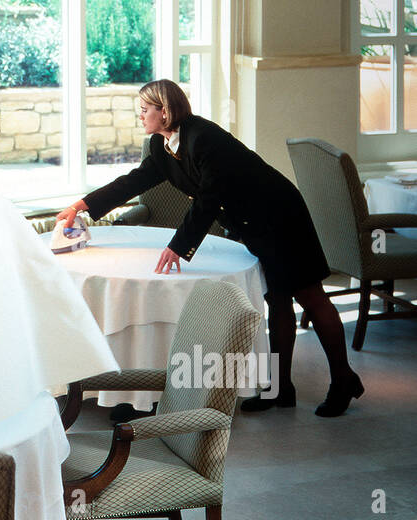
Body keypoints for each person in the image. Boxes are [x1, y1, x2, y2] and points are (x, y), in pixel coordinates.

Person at [56, 79, 365, 418]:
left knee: (310, 296)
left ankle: (343, 379)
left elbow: (208, 200)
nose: (139, 116)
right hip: (252, 223)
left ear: (164, 110)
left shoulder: (204, 139)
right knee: (276, 299)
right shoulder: (161, 146)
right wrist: (80, 206)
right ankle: (280, 388)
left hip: (280, 215)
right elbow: (133, 181)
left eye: (144, 110)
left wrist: (178, 247)